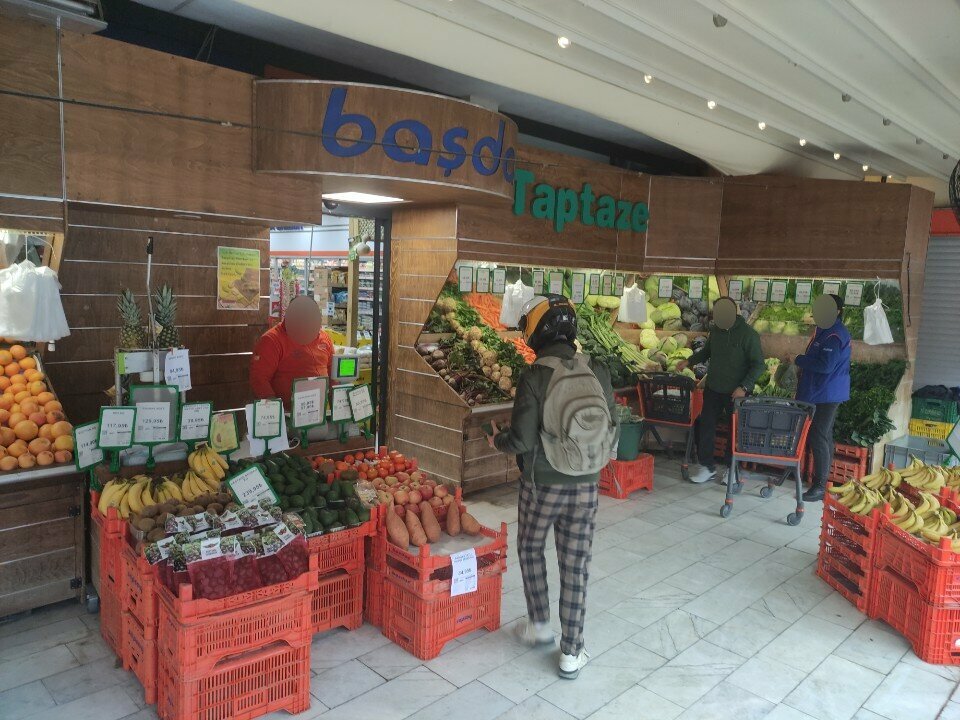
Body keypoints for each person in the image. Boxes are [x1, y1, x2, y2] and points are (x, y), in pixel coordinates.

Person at [484, 294, 617, 680]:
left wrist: (498, 442)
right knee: (575, 565)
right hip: (587, 485)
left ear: (536, 332)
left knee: (530, 549)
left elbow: (522, 441)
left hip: (542, 484)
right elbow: (610, 423)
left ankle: (539, 623)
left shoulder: (536, 375)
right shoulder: (598, 369)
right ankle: (572, 652)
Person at [677, 296, 765, 484]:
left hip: (736, 392)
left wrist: (744, 387)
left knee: (734, 431)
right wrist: (690, 361)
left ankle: (731, 469)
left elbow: (758, 365)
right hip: (713, 388)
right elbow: (707, 352)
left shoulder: (748, 335)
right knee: (705, 425)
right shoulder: (715, 331)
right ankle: (707, 466)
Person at [795, 294, 851, 502]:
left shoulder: (834, 335)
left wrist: (800, 360)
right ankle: (821, 483)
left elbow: (826, 366)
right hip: (821, 391)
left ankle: (819, 486)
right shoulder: (824, 331)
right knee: (824, 436)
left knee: (819, 436)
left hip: (826, 394)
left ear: (837, 312)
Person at [249, 295, 334, 406]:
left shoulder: (324, 337)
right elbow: (259, 378)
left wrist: (336, 405)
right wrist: (276, 410)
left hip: (320, 412)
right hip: (287, 415)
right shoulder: (271, 340)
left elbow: (332, 371)